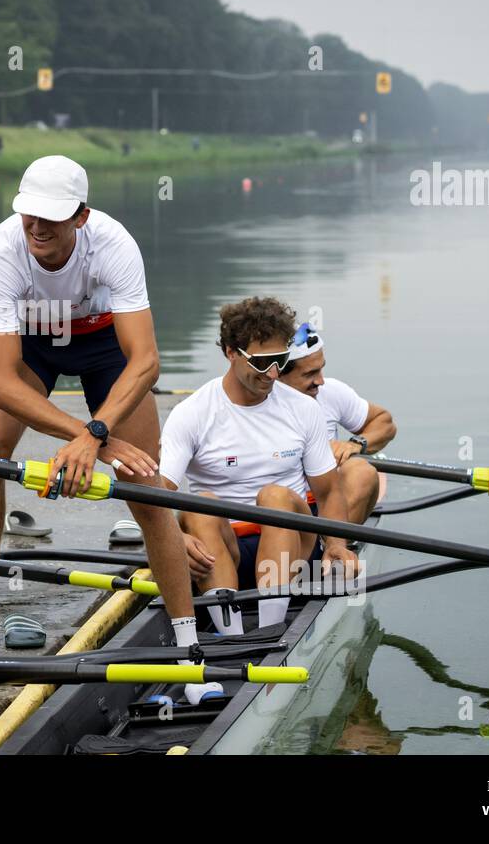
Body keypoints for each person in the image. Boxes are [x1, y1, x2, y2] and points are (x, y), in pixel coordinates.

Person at [0, 155, 197, 659]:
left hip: (103, 343)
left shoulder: (114, 244)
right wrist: (85, 436)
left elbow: (146, 361)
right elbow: (2, 383)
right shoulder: (1, 252)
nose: (38, 226)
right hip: (33, 343)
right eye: (30, 213)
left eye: (52, 215)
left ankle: (187, 642)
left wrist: (95, 437)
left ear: (80, 216)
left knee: (147, 486)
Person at [159, 297, 358, 702]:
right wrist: (173, 539)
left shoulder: (303, 410)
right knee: (202, 506)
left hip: (291, 547)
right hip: (222, 552)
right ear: (231, 353)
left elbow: (329, 490)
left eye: (281, 361)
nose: (272, 373)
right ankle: (233, 647)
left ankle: (269, 641)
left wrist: (337, 545)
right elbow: (158, 493)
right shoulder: (192, 412)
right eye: (261, 361)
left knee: (275, 496)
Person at [276, 324, 397, 523]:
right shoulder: (256, 404)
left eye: (321, 369)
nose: (320, 381)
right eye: (309, 374)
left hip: (328, 501)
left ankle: (334, 547)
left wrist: (356, 444)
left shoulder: (330, 392)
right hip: (278, 508)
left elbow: (385, 423)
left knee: (361, 472)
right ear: (278, 374)